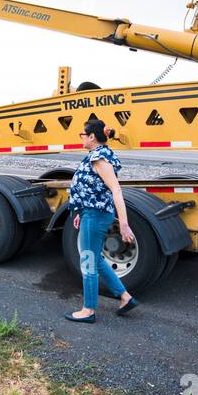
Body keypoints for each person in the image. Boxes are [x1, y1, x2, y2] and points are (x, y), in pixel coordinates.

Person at [63, 117, 138, 323]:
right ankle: (125, 297)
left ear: (92, 137)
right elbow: (91, 189)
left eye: (82, 135)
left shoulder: (99, 159)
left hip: (95, 216)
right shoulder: (96, 155)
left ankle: (88, 310)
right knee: (95, 259)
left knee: (87, 261)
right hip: (90, 213)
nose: (81, 138)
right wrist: (80, 212)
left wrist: (123, 223)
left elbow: (115, 190)